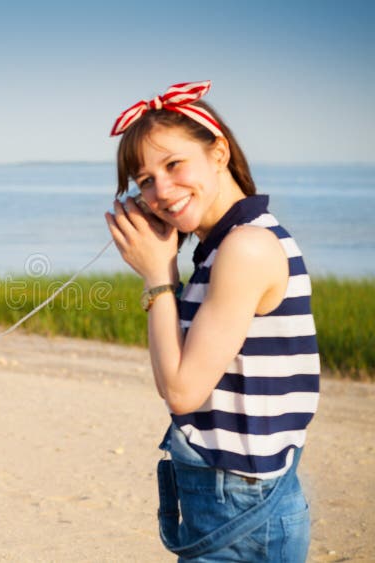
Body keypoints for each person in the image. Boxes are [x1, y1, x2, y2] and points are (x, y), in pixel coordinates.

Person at [105, 81, 320, 562]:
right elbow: (180, 382)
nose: (161, 191)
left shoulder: (246, 247)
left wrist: (158, 277)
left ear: (218, 152)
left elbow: (181, 392)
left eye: (174, 164)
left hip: (242, 509)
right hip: (225, 495)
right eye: (145, 180)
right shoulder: (219, 249)